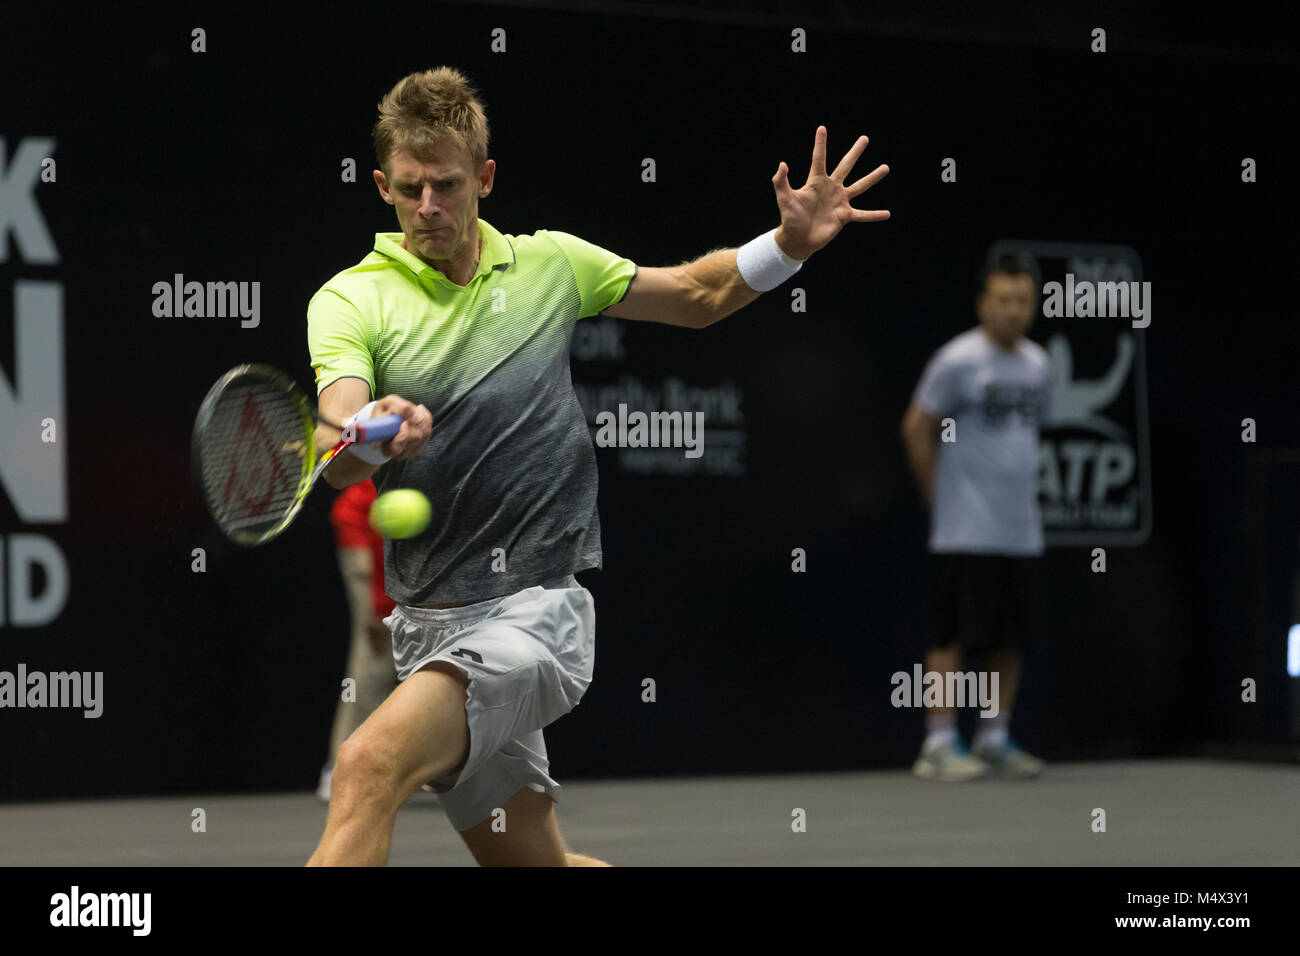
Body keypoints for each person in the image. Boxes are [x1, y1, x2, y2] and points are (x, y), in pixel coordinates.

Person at [304, 66, 890, 866]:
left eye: (446, 185)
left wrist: (786, 244)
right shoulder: (348, 300)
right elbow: (337, 446)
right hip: (429, 627)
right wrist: (372, 433)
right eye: (409, 189)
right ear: (381, 185)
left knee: (366, 766)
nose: (428, 207)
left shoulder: (553, 266)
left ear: (486, 177)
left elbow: (695, 294)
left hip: (538, 618)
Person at [900, 255, 1053, 782]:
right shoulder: (957, 360)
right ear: (983, 303)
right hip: (964, 527)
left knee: (1010, 637)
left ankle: (992, 737)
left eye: (1023, 301)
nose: (1014, 311)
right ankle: (939, 743)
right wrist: (937, 496)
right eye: (1004, 300)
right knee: (952, 636)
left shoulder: (1038, 365)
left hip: (1021, 531)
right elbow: (917, 428)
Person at [317, 479, 399, 804]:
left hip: (399, 545)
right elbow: (381, 538)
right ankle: (339, 774)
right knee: (374, 661)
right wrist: (378, 609)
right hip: (364, 535)